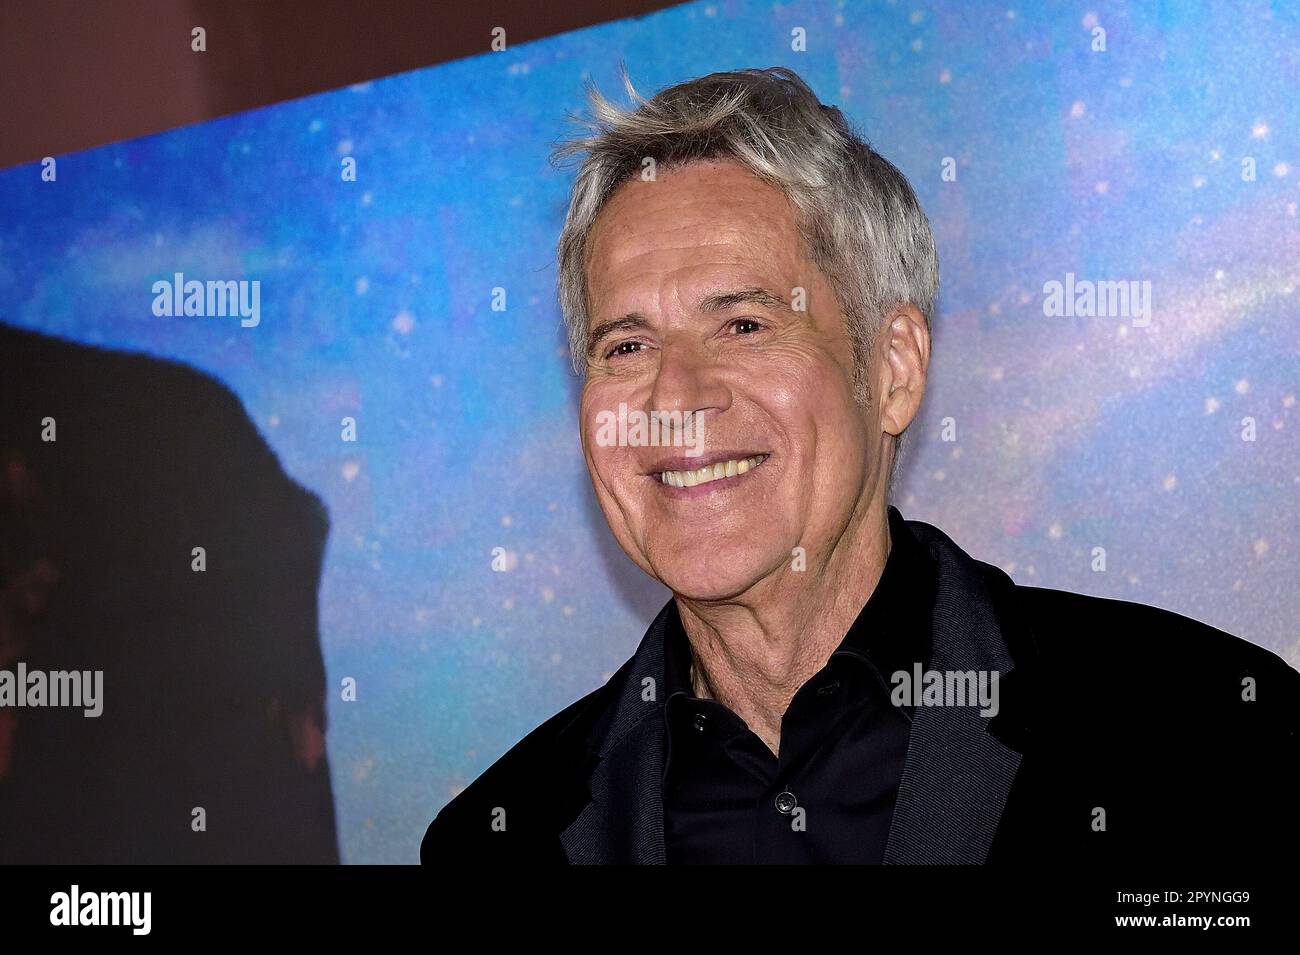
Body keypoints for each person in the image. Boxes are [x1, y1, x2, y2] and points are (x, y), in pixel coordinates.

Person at [421, 67, 1299, 865]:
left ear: (893, 369)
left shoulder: (1210, 737)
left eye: (744, 324)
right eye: (626, 343)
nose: (674, 396)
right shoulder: (501, 839)